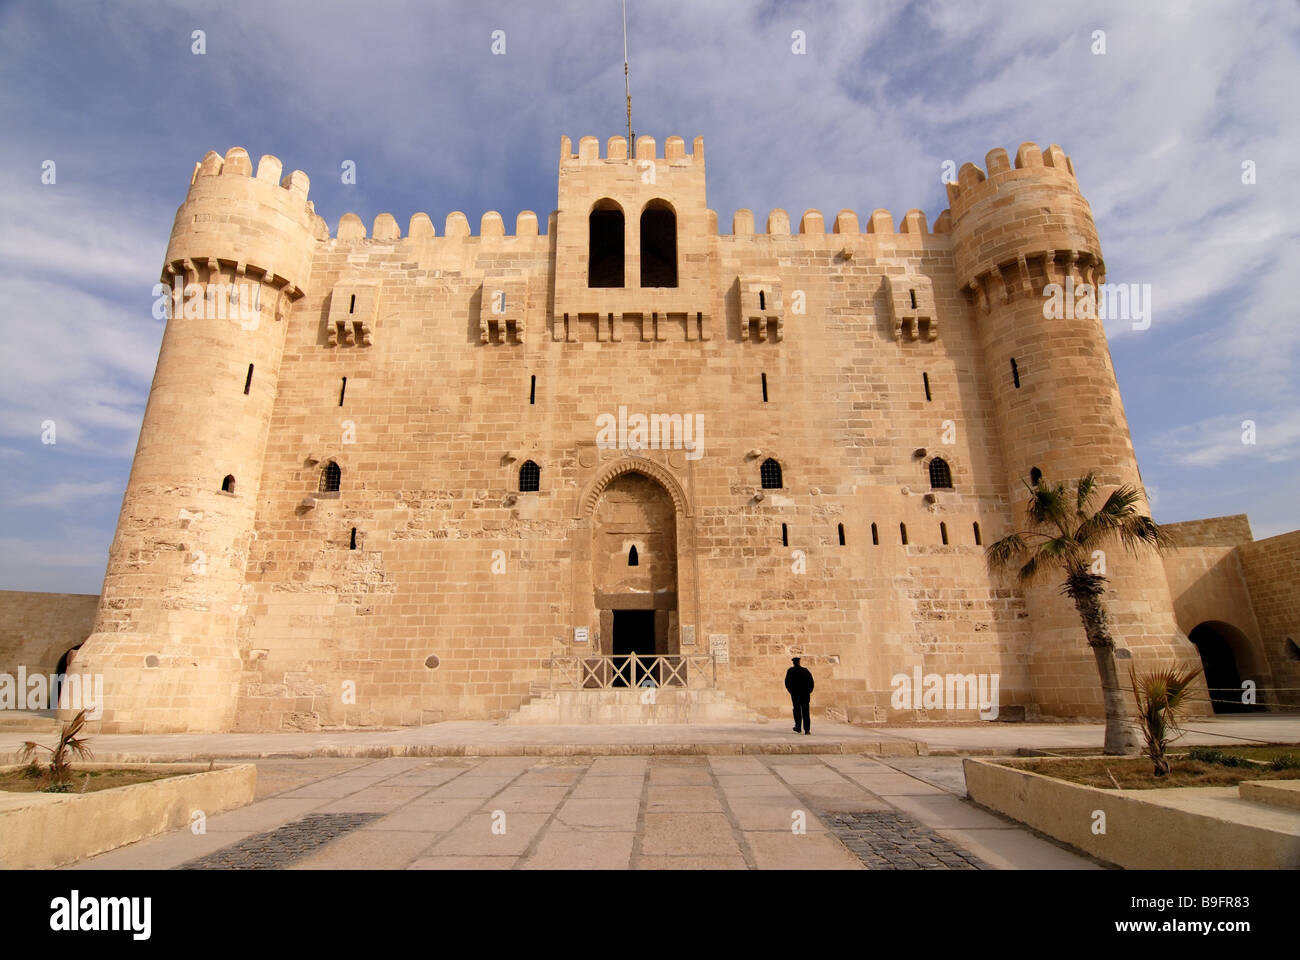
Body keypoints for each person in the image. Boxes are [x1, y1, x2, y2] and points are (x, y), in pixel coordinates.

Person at [784, 656, 814, 734]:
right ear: (799, 662)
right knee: (805, 712)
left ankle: (798, 727)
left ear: (794, 662)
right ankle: (807, 730)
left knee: (797, 710)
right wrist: (809, 691)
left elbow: (787, 682)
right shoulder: (805, 671)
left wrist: (791, 691)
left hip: (795, 694)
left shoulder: (790, 671)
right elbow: (811, 682)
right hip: (805, 694)